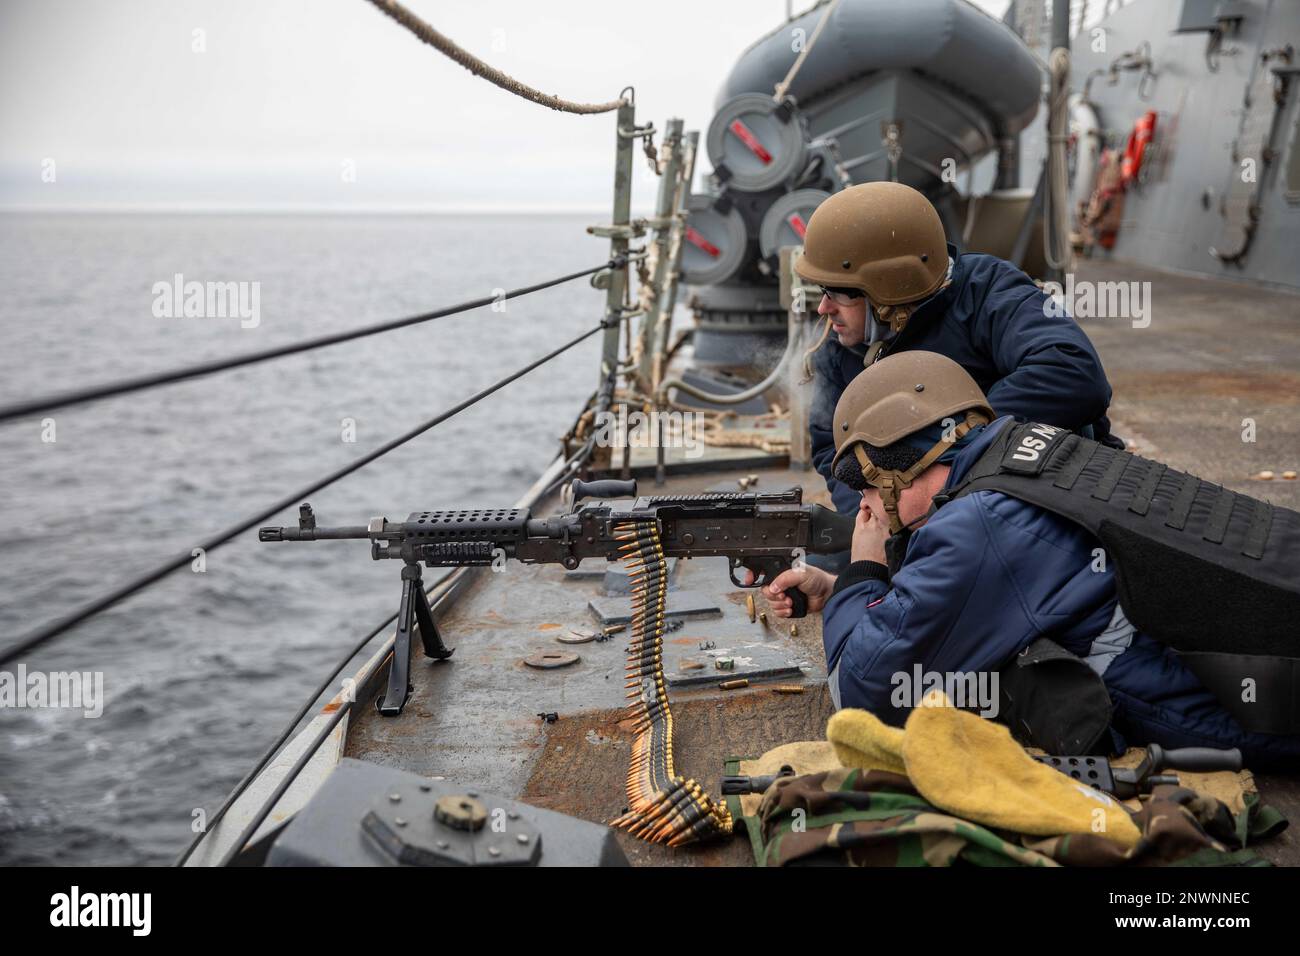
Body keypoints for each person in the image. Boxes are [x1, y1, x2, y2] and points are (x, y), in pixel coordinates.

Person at [763, 350, 1300, 769]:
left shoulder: (976, 528)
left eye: (867, 482)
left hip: (1254, 711)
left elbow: (862, 696)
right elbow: (970, 595)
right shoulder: (1026, 449)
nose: (864, 503)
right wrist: (837, 591)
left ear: (901, 465)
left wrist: (863, 572)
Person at [795, 181, 1118, 517]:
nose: (823, 308)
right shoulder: (839, 345)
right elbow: (833, 450)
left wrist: (941, 449)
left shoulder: (988, 291)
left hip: (1044, 496)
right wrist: (877, 520)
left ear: (888, 287)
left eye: (837, 292)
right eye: (822, 291)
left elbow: (1073, 374)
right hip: (926, 518)